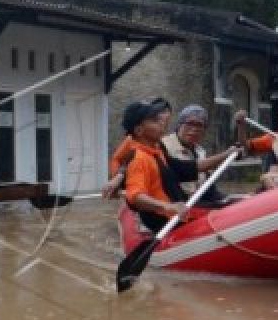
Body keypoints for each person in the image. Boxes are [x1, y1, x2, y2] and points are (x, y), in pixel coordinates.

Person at [118, 100, 199, 231]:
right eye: (155, 121)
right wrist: (167, 207)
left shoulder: (157, 151)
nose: (162, 123)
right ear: (139, 130)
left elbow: (185, 168)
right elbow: (135, 196)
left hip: (176, 217)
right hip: (166, 223)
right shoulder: (139, 159)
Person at [161, 104, 240, 206]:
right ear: (179, 124)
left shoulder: (200, 151)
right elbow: (184, 171)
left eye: (199, 125)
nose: (194, 129)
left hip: (198, 202)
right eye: (190, 123)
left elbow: (208, 189)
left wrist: (228, 200)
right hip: (177, 204)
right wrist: (226, 154)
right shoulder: (164, 146)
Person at [102, 97, 172, 198]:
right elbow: (120, 158)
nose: (163, 117)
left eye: (166, 111)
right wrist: (117, 178)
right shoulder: (134, 140)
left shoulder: (158, 141)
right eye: (156, 117)